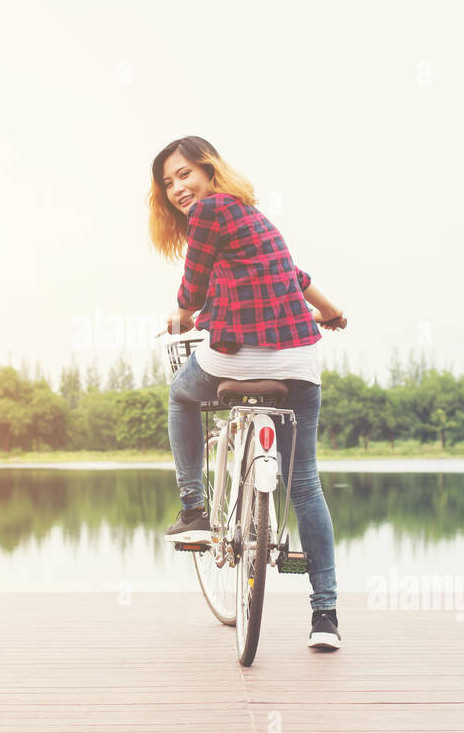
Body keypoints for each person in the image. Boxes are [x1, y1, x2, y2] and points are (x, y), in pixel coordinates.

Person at [147, 136, 347, 650]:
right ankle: (325, 616)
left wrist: (180, 315)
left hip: (234, 357)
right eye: (168, 183)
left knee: (181, 395)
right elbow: (296, 277)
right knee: (304, 484)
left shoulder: (210, 214)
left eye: (184, 174)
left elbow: (191, 291)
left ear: (209, 171)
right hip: (298, 364)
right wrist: (332, 313)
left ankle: (194, 508)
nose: (177, 189)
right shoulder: (254, 218)